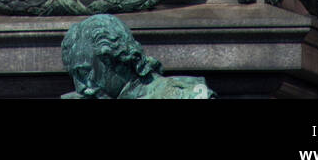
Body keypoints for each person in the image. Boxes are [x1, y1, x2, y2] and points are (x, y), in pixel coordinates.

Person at [61, 14, 214, 99]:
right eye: (73, 76)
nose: (79, 87)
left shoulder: (186, 96)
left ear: (117, 58)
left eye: (84, 73)